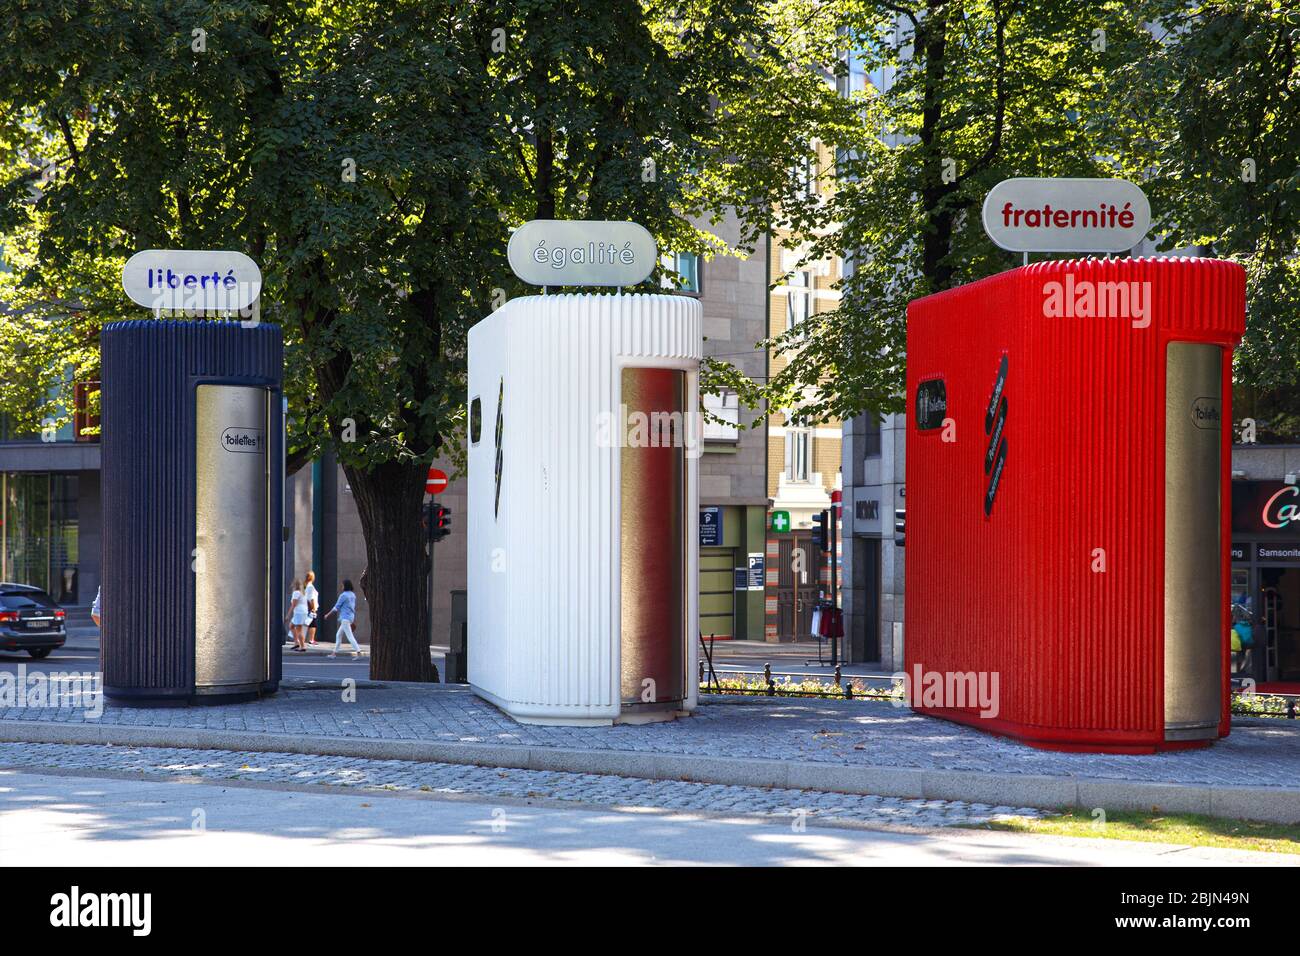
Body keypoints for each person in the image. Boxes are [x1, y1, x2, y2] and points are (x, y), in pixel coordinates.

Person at [323, 579, 362, 659]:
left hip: (345, 618)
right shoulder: (353, 595)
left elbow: (336, 607)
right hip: (350, 617)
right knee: (338, 635)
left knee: (349, 636)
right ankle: (334, 653)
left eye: (342, 585)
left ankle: (358, 651)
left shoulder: (343, 595)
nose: (341, 586)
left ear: (345, 586)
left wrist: (327, 614)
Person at [287, 579, 310, 652]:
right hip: (303, 612)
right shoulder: (302, 593)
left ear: (294, 585)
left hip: (299, 612)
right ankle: (296, 643)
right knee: (291, 626)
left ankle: (302, 646)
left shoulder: (296, 593)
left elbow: (293, 605)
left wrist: (288, 615)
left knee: (299, 629)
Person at [304, 570, 320, 645]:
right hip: (311, 608)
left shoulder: (307, 586)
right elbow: (311, 598)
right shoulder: (310, 587)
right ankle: (311, 639)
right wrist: (313, 608)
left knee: (309, 623)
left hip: (308, 607)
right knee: (313, 624)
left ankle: (305, 639)